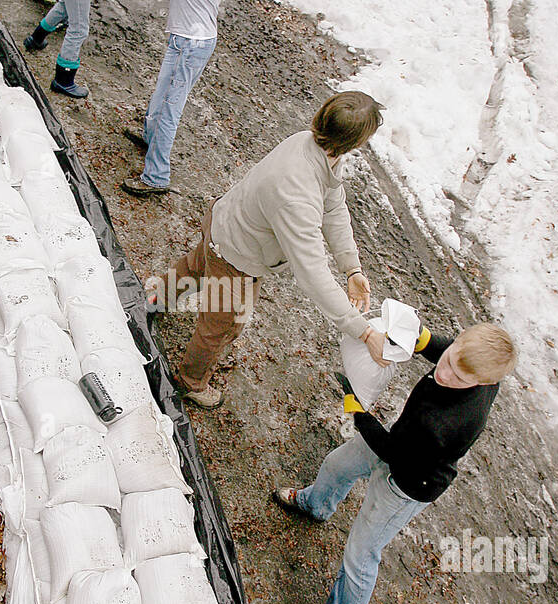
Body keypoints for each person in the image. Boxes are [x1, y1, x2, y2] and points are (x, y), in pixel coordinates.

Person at [277, 323, 518, 604]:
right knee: (336, 464)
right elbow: (454, 354)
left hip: (406, 481)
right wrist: (426, 341)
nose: (445, 373)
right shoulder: (473, 364)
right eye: (447, 359)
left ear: (483, 383)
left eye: (458, 376)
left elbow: (391, 452)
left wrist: (358, 412)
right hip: (402, 440)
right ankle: (315, 505)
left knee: (360, 556)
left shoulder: (444, 424)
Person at [147, 92, 384, 408]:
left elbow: (333, 204)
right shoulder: (297, 194)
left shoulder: (312, 144)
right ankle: (189, 381)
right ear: (354, 142)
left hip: (223, 222)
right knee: (222, 326)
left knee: (195, 266)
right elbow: (312, 274)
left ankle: (156, 298)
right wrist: (365, 332)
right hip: (236, 260)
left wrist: (351, 268)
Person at [117, 0, 232, 198]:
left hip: (190, 42)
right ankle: (149, 137)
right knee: (162, 93)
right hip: (195, 38)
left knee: (170, 106)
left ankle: (156, 175)